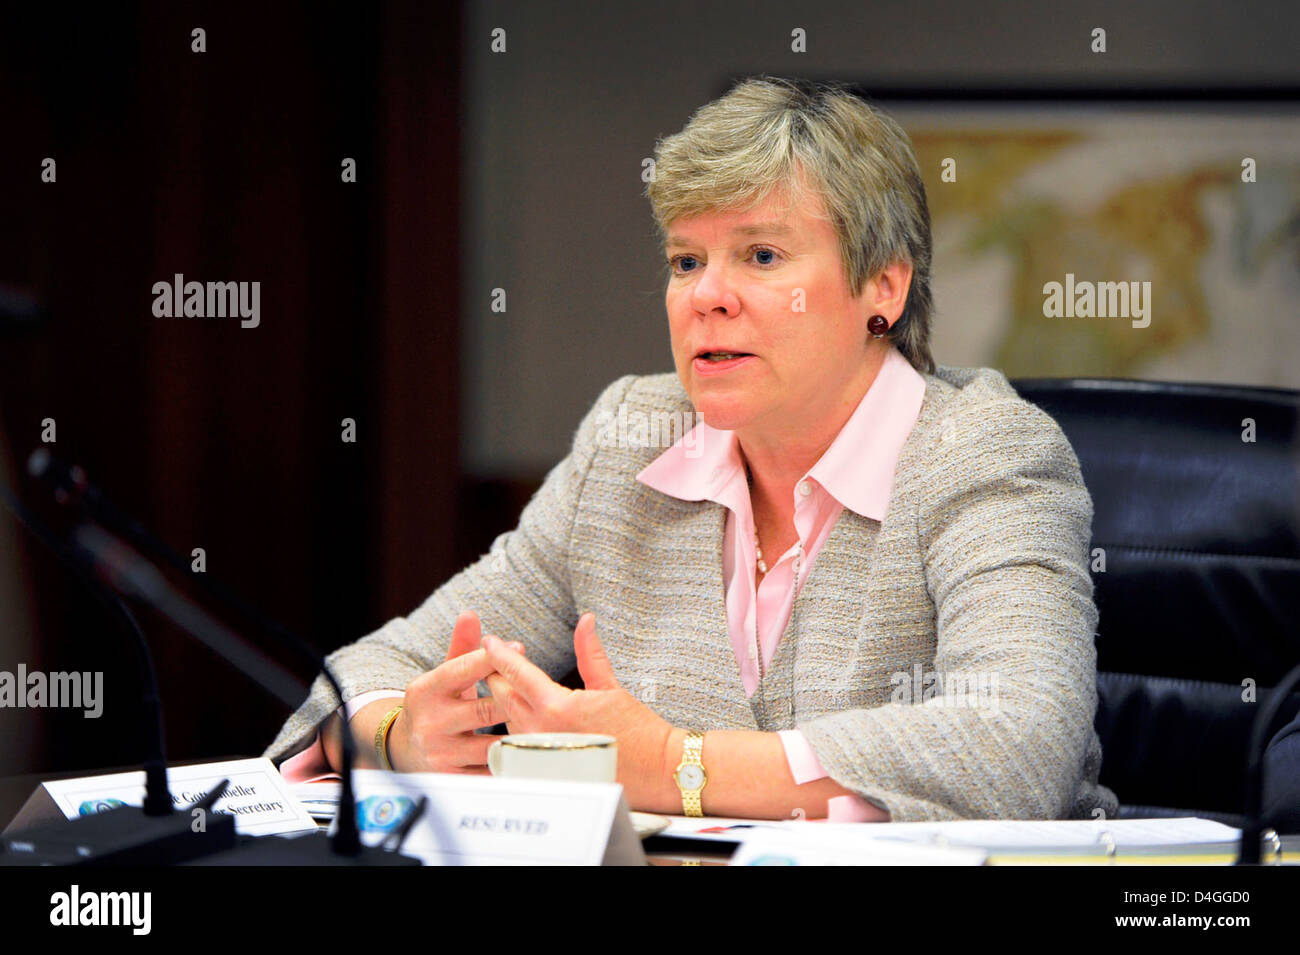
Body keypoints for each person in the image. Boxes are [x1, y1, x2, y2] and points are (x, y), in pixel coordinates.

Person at [266, 75, 1118, 823]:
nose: (706, 296)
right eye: (685, 259)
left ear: (882, 286)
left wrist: (679, 762)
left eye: (760, 254)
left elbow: (1016, 739)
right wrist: (399, 731)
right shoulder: (633, 437)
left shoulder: (982, 453)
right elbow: (373, 667)